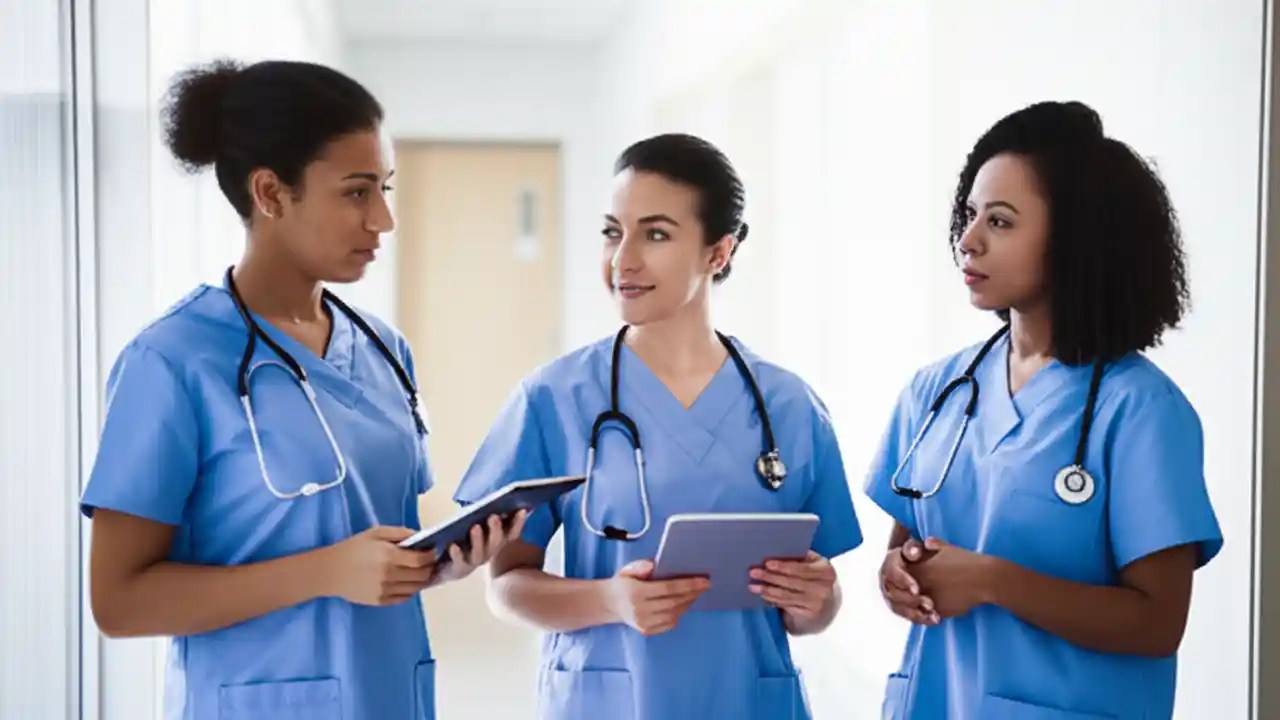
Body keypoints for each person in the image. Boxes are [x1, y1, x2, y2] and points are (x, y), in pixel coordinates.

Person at [81, 58, 525, 720]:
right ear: (270, 193)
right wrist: (323, 572)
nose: (382, 220)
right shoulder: (172, 361)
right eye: (355, 192)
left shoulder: (382, 351)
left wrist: (439, 563)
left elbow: (368, 541)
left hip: (387, 693)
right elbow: (118, 603)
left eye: (386, 189)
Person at [452, 133, 863, 720]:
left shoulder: (790, 406)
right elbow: (507, 586)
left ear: (718, 253)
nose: (624, 260)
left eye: (657, 234)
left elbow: (813, 610)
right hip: (610, 701)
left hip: (747, 699)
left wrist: (817, 600)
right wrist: (609, 600)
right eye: (613, 232)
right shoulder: (554, 397)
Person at [865, 101, 1223, 719]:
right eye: (970, 215)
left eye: (1000, 222)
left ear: (1077, 239)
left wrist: (991, 582)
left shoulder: (1140, 410)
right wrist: (895, 575)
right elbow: (909, 553)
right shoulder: (938, 390)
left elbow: (1157, 623)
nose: (968, 239)